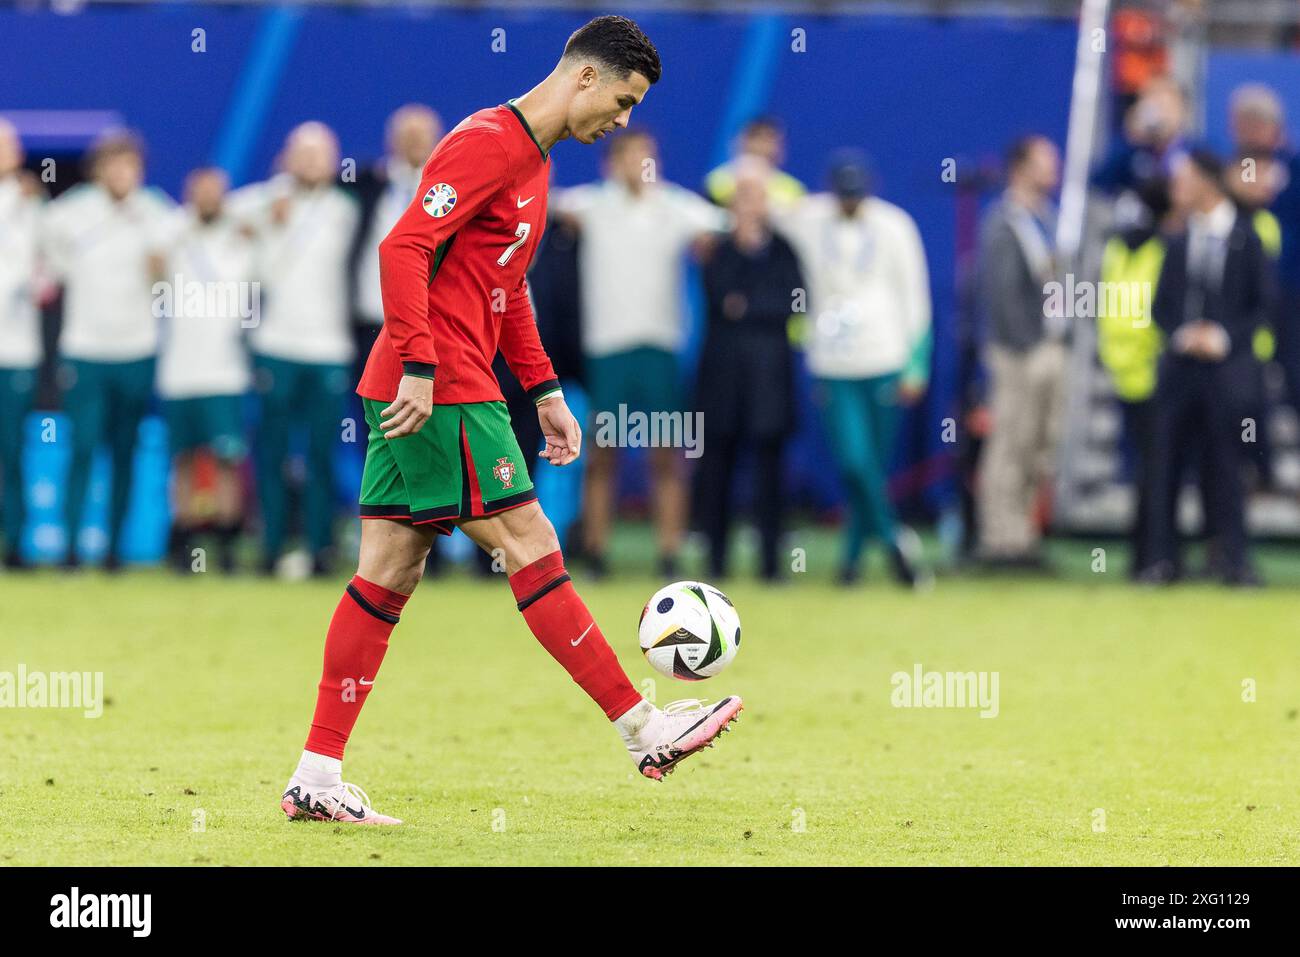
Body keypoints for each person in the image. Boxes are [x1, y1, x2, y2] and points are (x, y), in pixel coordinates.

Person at [279, 16, 742, 826]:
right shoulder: (489, 142)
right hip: (442, 386)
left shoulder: (534, 162)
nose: (625, 122)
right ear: (585, 79)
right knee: (531, 541)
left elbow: (508, 285)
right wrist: (422, 363)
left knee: (387, 569)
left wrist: (545, 388)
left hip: (431, 381)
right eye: (624, 101)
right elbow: (403, 247)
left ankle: (317, 773)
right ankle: (643, 726)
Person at [558, 128, 727, 578]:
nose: (640, 165)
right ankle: (595, 552)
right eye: (632, 156)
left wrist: (710, 243)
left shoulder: (675, 207)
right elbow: (546, 205)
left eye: (647, 156)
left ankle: (669, 553)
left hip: (659, 349)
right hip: (608, 350)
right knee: (602, 453)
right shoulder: (590, 206)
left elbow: (724, 225)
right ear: (613, 163)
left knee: (666, 454)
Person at [783, 150, 931, 586]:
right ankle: (894, 546)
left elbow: (915, 295)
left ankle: (849, 565)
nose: (849, 203)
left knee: (871, 470)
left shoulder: (895, 225)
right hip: (832, 362)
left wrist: (916, 364)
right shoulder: (810, 219)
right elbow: (758, 203)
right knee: (853, 462)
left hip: (885, 359)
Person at [1142, 148, 1276, 586]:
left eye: (1184, 179)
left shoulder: (1248, 237)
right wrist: (1183, 335)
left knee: (1227, 468)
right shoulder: (1177, 240)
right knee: (1166, 467)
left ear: (1207, 183)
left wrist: (1221, 338)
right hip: (1180, 373)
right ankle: (1161, 561)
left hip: (1228, 375)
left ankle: (1233, 560)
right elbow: (1161, 305)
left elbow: (1263, 305)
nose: (1175, 188)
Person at [41, 130, 173, 570]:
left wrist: (161, 272)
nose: (122, 173)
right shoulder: (70, 213)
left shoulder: (158, 213)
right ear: (99, 170)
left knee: (124, 451)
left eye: (130, 165)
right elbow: (48, 261)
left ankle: (115, 550)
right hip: (85, 350)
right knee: (81, 448)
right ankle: (72, 548)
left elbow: (172, 283)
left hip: (137, 349)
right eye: (114, 165)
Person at [232, 122, 358, 576]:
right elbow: (217, 210)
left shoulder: (346, 210)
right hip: (275, 345)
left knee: (324, 454)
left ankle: (321, 548)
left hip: (329, 347)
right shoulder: (265, 201)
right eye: (302, 153)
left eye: (320, 154)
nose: (310, 162)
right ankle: (270, 547)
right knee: (271, 451)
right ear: (285, 157)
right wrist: (270, 205)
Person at [694, 159, 804, 581]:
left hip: (770, 383)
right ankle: (716, 562)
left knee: (771, 475)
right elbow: (719, 299)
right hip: (722, 382)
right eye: (742, 197)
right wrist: (752, 305)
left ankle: (771, 565)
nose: (749, 205)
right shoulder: (717, 251)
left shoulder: (784, 250)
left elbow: (793, 301)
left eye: (757, 196)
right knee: (716, 472)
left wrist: (749, 306)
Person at [154, 168, 254, 574]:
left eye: (216, 192)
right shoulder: (173, 235)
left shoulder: (241, 240)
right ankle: (184, 543)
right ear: (189, 195)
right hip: (179, 372)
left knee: (228, 460)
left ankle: (228, 545)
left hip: (225, 372)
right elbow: (150, 254)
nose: (209, 198)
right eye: (201, 192)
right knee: (182, 459)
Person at [974, 135, 1067, 567]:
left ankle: (1024, 535)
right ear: (1020, 168)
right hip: (1017, 353)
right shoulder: (1003, 221)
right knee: (1010, 443)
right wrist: (1025, 345)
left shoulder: (1047, 218)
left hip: (1048, 346)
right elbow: (1001, 293)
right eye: (1045, 162)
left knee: (1039, 446)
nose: (1054, 169)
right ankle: (999, 537)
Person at [349, 104, 443, 381]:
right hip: (372, 321)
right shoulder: (366, 183)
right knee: (373, 412)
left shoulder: (450, 189)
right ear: (390, 140)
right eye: (407, 134)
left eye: (421, 134)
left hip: (428, 323)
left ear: (438, 138)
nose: (414, 141)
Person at [0, 120, 42, 570]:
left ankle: (15, 544)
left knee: (11, 452)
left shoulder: (32, 206)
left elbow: (29, 272)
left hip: (12, 352)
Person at [705, 116, 805, 208]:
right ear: (742, 142)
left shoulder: (792, 189)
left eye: (769, 140)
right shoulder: (718, 181)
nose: (763, 147)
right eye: (757, 139)